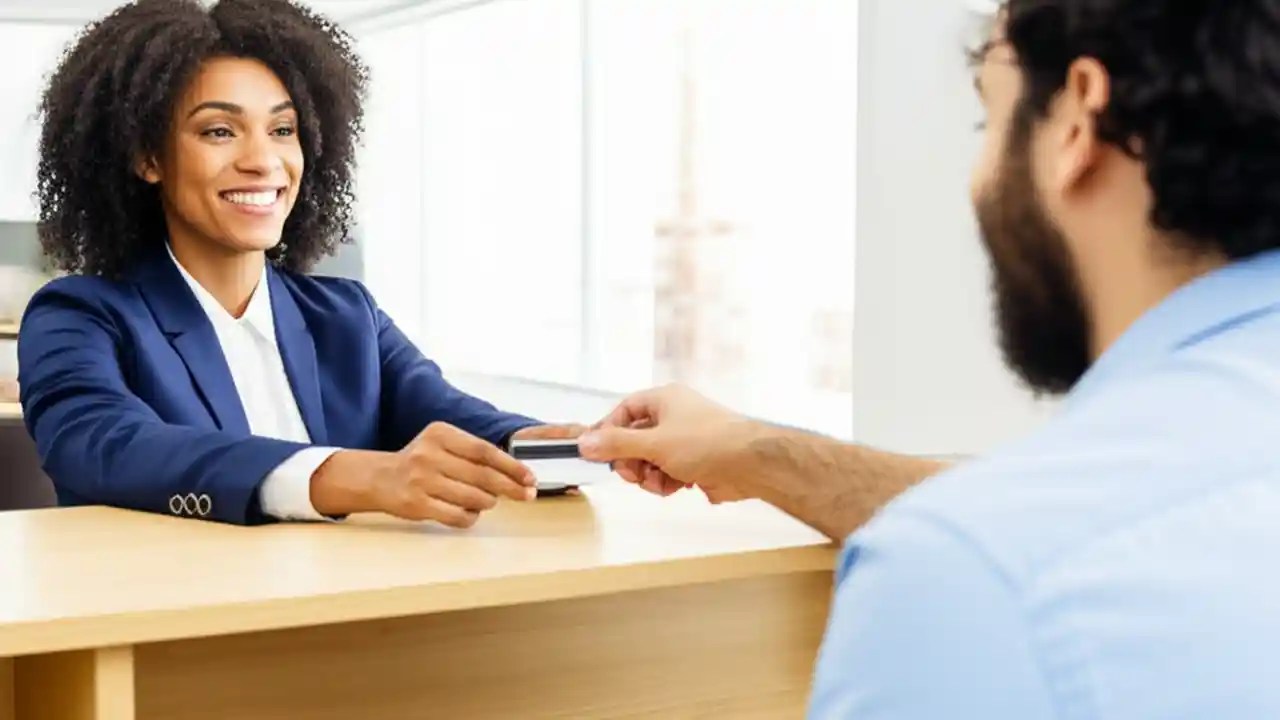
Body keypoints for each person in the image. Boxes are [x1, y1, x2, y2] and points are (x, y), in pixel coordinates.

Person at [580, 1, 1280, 717]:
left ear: (1077, 118)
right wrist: (755, 452)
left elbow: (1021, 538)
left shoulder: (965, 587)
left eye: (991, 120)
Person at [18, 0, 583, 528]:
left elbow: (462, 423)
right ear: (147, 157)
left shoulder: (346, 316)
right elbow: (105, 446)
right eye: (219, 131)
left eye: (282, 130)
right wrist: (347, 475)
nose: (263, 161)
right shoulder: (79, 314)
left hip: (352, 610)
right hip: (182, 616)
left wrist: (588, 448)